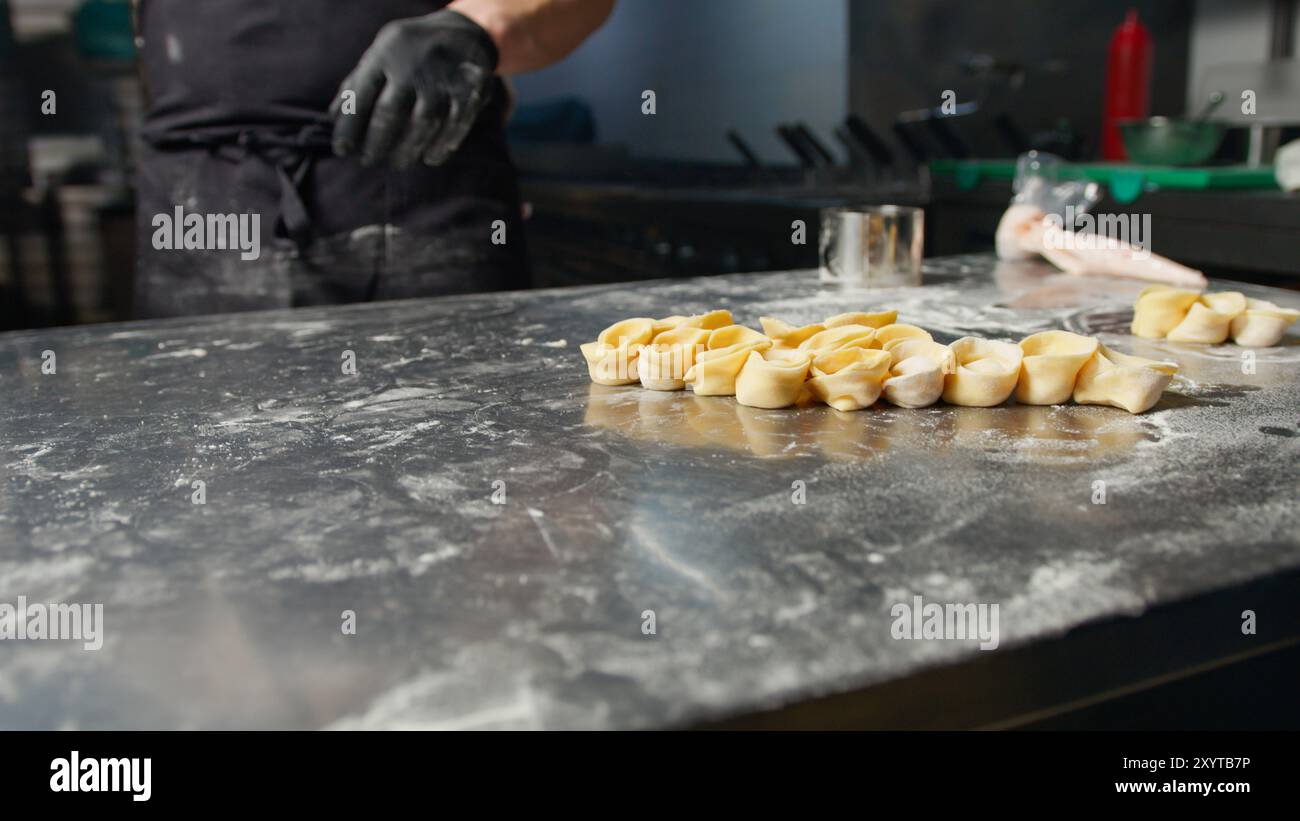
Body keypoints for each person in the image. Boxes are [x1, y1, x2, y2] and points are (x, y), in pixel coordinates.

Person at [133, 0, 614, 318]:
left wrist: (475, 29)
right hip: (194, 214)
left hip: (424, 208)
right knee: (203, 461)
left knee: (455, 454)